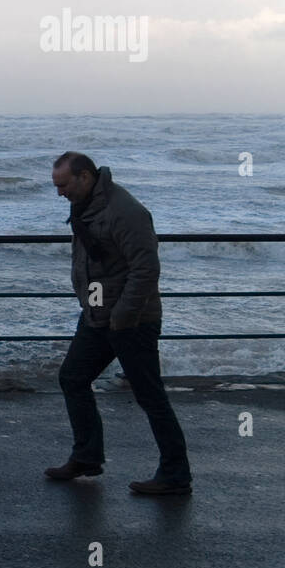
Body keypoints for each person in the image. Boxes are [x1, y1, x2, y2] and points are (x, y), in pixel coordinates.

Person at [47, 153, 192, 494]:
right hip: (98, 315)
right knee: (72, 378)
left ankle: (176, 474)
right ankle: (86, 456)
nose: (59, 193)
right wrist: (92, 306)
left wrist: (122, 317)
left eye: (63, 185)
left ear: (84, 176)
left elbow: (145, 270)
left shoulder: (125, 211)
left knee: (150, 396)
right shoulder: (87, 204)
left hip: (132, 320)